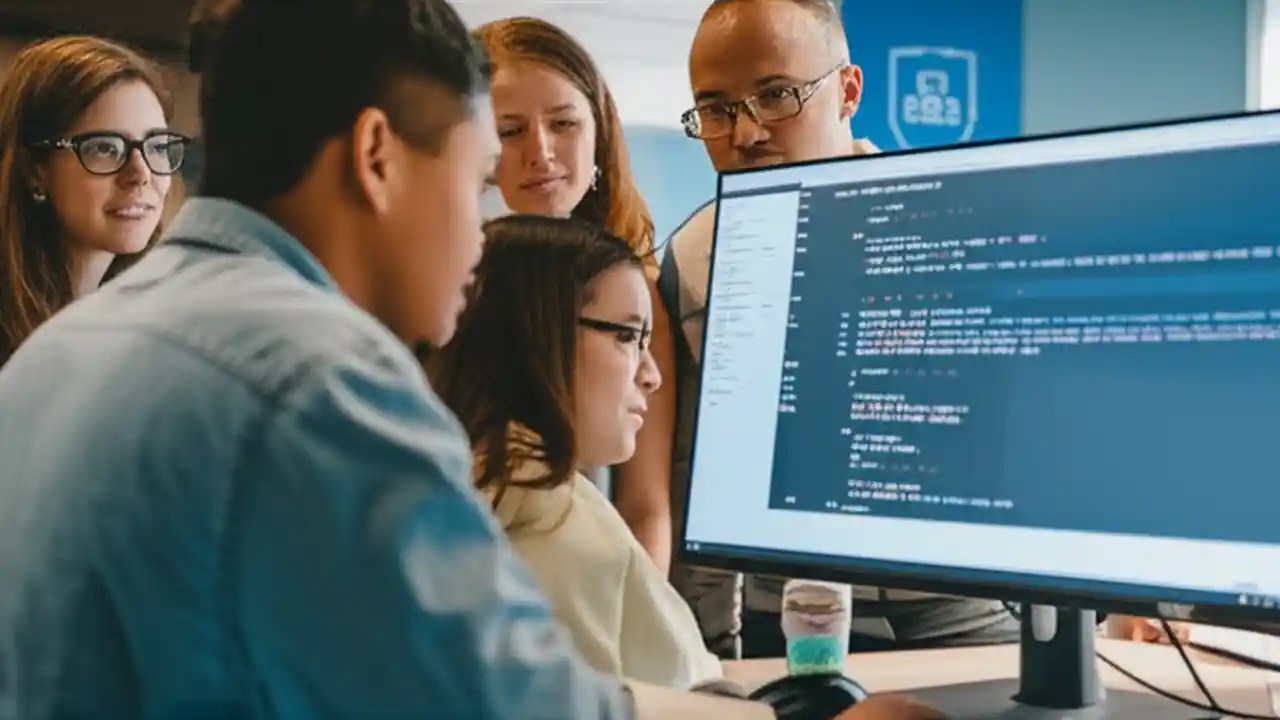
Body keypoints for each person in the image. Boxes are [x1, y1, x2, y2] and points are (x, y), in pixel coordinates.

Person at [0, 0, 942, 718]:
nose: (482, 236)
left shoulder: (62, 354)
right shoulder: (318, 385)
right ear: (377, 156)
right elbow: (511, 704)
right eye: (476, 173)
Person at [660, 0, 1021, 660]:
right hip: (775, 613)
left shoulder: (958, 229)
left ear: (848, 92)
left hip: (953, 601)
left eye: (777, 96)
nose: (745, 134)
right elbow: (688, 477)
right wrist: (703, 656)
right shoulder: (692, 260)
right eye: (716, 109)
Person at [429, 214, 722, 689]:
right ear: (537, 335)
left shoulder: (456, 488)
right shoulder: (560, 529)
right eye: (627, 336)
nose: (652, 375)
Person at [476, 17, 678, 574]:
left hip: (592, 580)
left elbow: (645, 506)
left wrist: (639, 612)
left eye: (563, 123)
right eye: (509, 131)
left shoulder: (635, 290)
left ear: (598, 133)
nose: (540, 152)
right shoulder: (441, 285)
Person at [0, 35, 189, 366]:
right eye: (104, 147)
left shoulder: (155, 325)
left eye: (157, 146)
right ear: (34, 171)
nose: (141, 174)